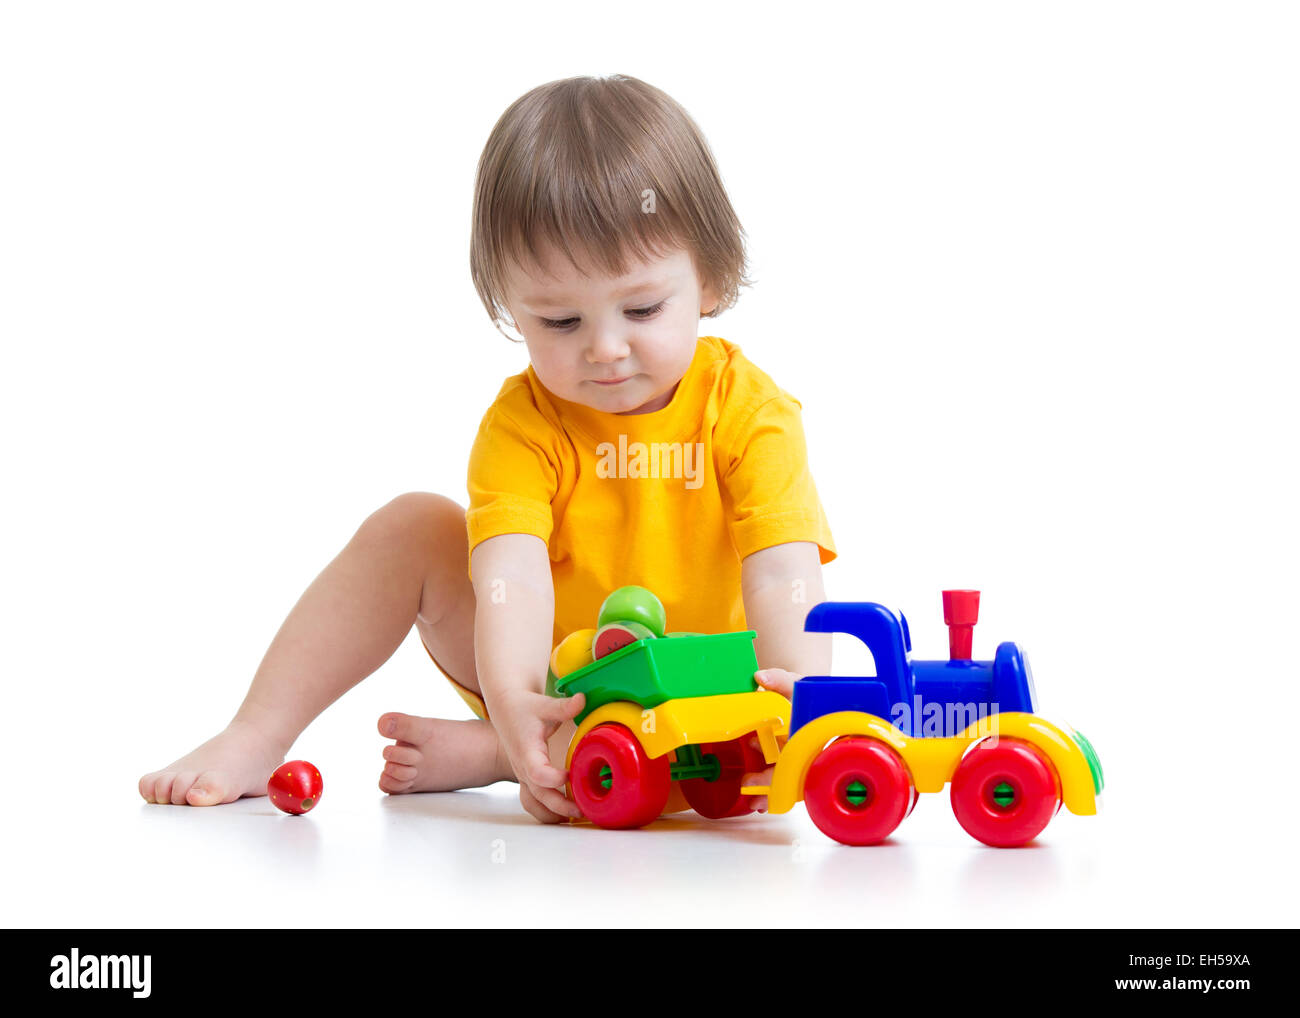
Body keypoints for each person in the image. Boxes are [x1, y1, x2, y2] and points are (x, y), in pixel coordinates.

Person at [138, 73, 836, 823]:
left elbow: (781, 571)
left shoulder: (748, 412)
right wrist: (514, 699)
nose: (605, 349)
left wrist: (796, 690)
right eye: (559, 322)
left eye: (641, 308)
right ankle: (260, 733)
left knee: (724, 738)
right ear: (508, 304)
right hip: (551, 679)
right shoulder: (523, 425)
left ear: (711, 278)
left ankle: (498, 756)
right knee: (411, 526)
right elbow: (514, 580)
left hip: (702, 692)